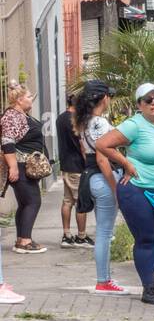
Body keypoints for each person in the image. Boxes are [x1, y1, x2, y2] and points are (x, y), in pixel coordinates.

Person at [93, 83, 154, 306]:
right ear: (139, 104)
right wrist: (126, 164)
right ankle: (149, 288)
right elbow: (102, 144)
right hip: (139, 191)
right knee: (146, 240)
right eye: (148, 100)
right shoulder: (133, 125)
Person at [76, 81, 128, 294]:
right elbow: (102, 158)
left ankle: (104, 279)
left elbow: (85, 152)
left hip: (92, 178)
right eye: (109, 96)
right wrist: (114, 186)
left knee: (103, 231)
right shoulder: (100, 124)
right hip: (103, 178)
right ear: (103, 98)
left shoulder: (83, 121)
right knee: (105, 232)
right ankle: (103, 280)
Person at [2, 81, 48, 254]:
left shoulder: (22, 114)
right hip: (20, 165)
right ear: (20, 100)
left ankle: (22, 238)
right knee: (33, 201)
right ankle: (25, 241)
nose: (31, 100)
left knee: (25, 202)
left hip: (25, 165)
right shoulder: (12, 116)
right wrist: (13, 167)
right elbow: (7, 143)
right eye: (29, 97)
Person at [56, 95, 93, 249]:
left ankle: (66, 235)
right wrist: (89, 162)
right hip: (77, 166)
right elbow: (82, 145)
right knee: (80, 202)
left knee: (67, 201)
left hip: (65, 164)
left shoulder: (60, 118)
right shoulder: (76, 120)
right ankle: (81, 236)